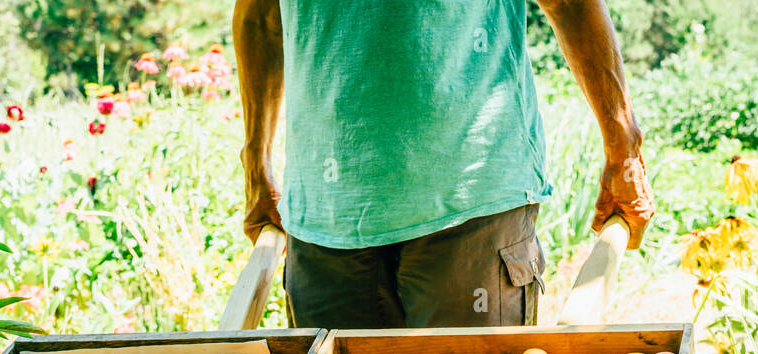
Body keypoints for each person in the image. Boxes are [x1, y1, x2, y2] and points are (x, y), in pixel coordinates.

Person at [234, 0, 655, 329]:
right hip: (326, 217)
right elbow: (262, 17)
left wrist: (624, 144)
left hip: (471, 202)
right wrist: (256, 162)